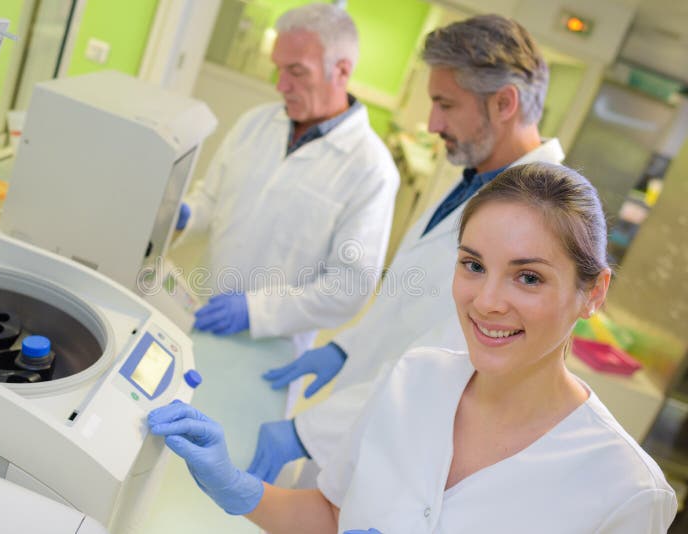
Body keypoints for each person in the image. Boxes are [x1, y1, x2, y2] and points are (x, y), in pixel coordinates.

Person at [149, 163, 677, 532]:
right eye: (473, 265)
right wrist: (238, 488)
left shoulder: (626, 491)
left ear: (593, 293)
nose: (487, 301)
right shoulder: (413, 379)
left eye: (529, 278)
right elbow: (332, 517)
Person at [248, 13, 567, 484]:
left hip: (403, 445)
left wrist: (306, 431)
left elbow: (447, 361)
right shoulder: (477, 181)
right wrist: (344, 347)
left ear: (504, 103)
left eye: (445, 104)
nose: (432, 122)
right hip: (366, 415)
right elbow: (413, 301)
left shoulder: (535, 224)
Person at [174, 3, 399, 353]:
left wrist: (255, 310)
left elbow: (350, 285)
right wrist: (183, 214)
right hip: (201, 312)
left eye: (296, 71)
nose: (281, 85)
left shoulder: (371, 168)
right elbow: (211, 201)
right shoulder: (255, 123)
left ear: (341, 71)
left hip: (271, 344)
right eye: (278, 69)